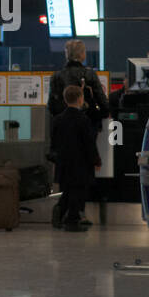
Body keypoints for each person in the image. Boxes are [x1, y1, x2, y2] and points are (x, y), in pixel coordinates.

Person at [47, 38, 108, 227]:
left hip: (64, 131)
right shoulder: (88, 74)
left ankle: (68, 211)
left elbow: (52, 105)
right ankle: (75, 213)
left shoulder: (57, 76)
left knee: (68, 173)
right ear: (82, 55)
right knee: (83, 174)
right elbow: (102, 102)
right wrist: (100, 113)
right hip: (86, 127)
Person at [51, 84, 100, 231]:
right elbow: (89, 143)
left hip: (63, 163)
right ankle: (71, 221)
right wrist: (96, 160)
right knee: (78, 192)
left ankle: (60, 212)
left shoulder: (58, 119)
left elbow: (54, 142)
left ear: (65, 100)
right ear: (80, 99)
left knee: (68, 190)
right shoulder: (83, 119)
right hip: (80, 163)